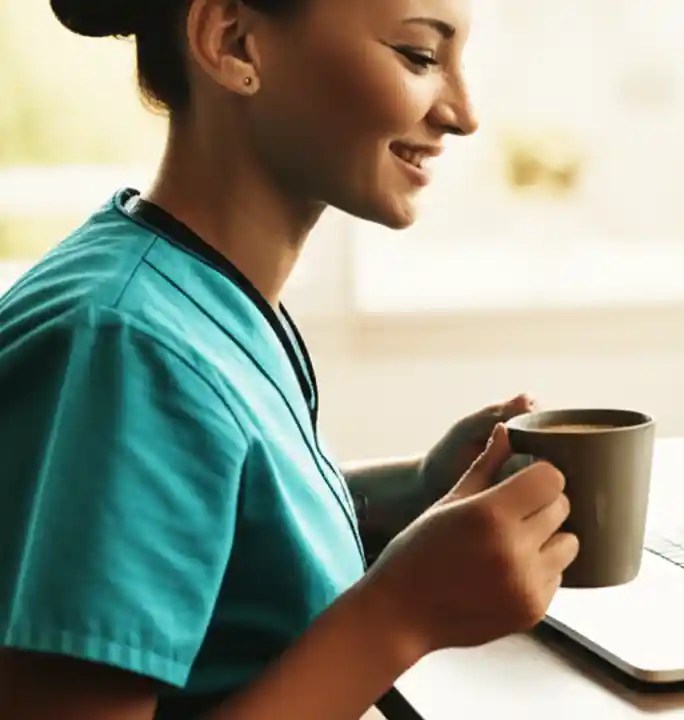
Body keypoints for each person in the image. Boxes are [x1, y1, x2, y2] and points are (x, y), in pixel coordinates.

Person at [0, 1, 581, 718]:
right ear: (234, 43)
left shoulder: (194, 294)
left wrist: (411, 493)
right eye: (420, 57)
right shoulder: (125, 351)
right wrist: (404, 611)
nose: (463, 114)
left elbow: (217, 535)